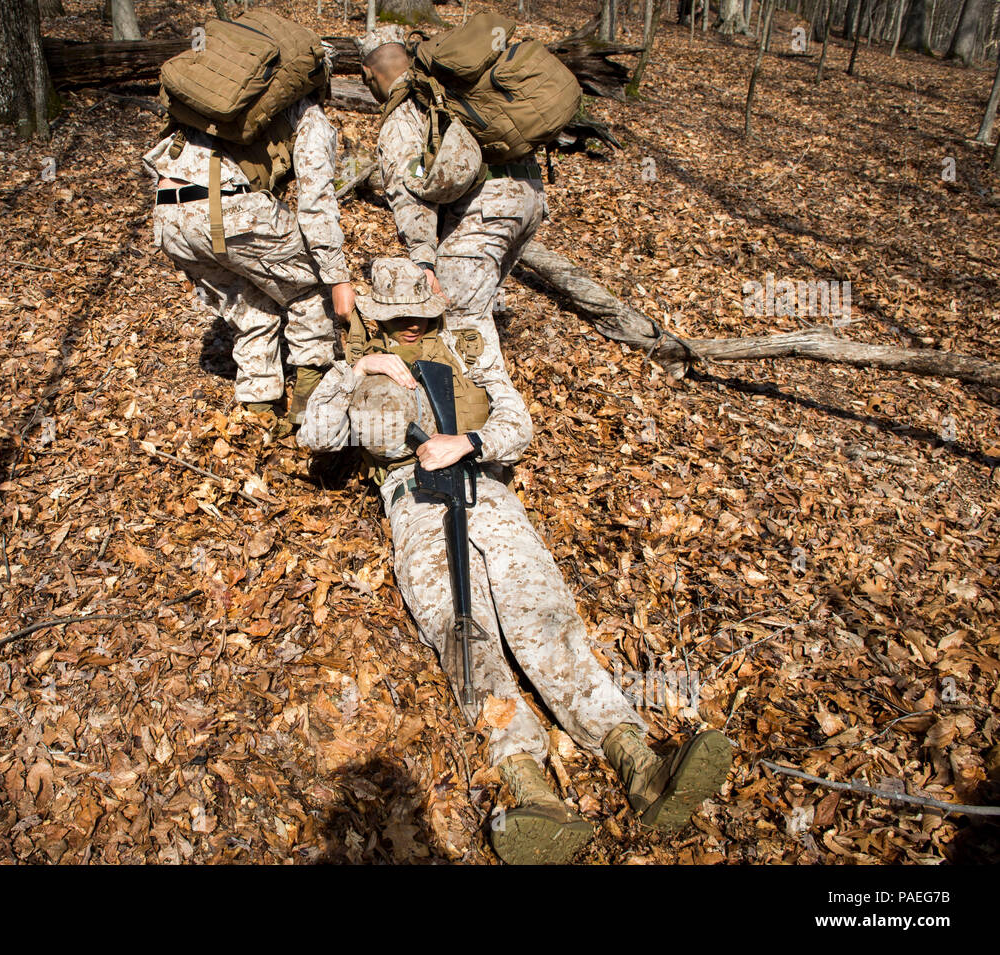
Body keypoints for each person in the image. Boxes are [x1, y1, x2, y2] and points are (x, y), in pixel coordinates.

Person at [298, 258, 732, 864]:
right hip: (414, 501)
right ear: (378, 315)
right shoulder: (360, 368)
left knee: (542, 615)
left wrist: (468, 442)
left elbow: (518, 424)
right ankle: (529, 788)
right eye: (398, 320)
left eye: (422, 317)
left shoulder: (469, 346)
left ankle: (636, 757)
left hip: (486, 488)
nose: (413, 330)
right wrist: (357, 371)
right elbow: (314, 436)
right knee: (462, 630)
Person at [143, 50, 354, 434]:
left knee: (249, 304)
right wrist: (337, 278)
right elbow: (316, 203)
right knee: (308, 288)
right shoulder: (306, 115)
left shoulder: (216, 105)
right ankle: (311, 406)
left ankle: (258, 414)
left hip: (168, 218)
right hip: (227, 212)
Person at [356, 26, 547, 370]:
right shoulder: (448, 89)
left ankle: (494, 419)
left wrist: (424, 261)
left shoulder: (405, 110)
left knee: (462, 323)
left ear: (367, 73)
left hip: (486, 210)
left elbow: (412, 190)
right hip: (528, 195)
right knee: (478, 306)